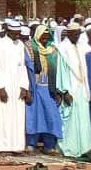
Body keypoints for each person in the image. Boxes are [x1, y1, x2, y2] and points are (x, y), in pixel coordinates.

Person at [54, 22, 91, 157]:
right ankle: (68, 148)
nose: (77, 36)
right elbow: (61, 71)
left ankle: (84, 147)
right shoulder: (62, 48)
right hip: (70, 88)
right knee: (69, 119)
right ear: (69, 33)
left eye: (78, 34)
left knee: (83, 118)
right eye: (75, 34)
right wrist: (64, 91)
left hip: (82, 86)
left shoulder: (81, 47)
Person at [0, 23, 29, 153]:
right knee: (3, 115)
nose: (17, 35)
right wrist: (0, 87)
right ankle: (2, 146)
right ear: (7, 31)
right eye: (15, 33)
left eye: (19, 32)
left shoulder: (20, 44)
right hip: (4, 85)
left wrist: (24, 86)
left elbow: (22, 66)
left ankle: (17, 146)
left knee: (18, 116)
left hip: (18, 86)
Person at [26, 23, 62, 153]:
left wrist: (59, 91)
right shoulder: (30, 48)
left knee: (51, 116)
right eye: (43, 37)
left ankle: (49, 145)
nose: (45, 40)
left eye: (47, 37)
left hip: (49, 88)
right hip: (35, 88)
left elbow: (58, 71)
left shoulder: (53, 50)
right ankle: (31, 144)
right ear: (37, 35)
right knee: (34, 116)